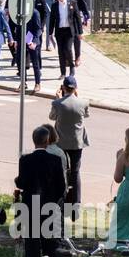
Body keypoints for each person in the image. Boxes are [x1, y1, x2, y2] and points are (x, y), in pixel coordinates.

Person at [15, 126, 66, 257]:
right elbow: (61, 186)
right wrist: (55, 199)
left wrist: (18, 181)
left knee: (31, 241)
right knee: (50, 239)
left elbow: (22, 183)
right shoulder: (55, 160)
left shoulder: (25, 160)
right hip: (49, 203)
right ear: (47, 141)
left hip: (30, 204)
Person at [48, 75, 90, 216]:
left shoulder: (57, 104)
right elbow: (86, 115)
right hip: (77, 142)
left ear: (64, 88)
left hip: (61, 143)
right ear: (75, 88)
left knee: (61, 171)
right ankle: (76, 204)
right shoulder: (83, 102)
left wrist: (57, 98)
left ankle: (62, 201)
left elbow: (52, 117)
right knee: (75, 172)